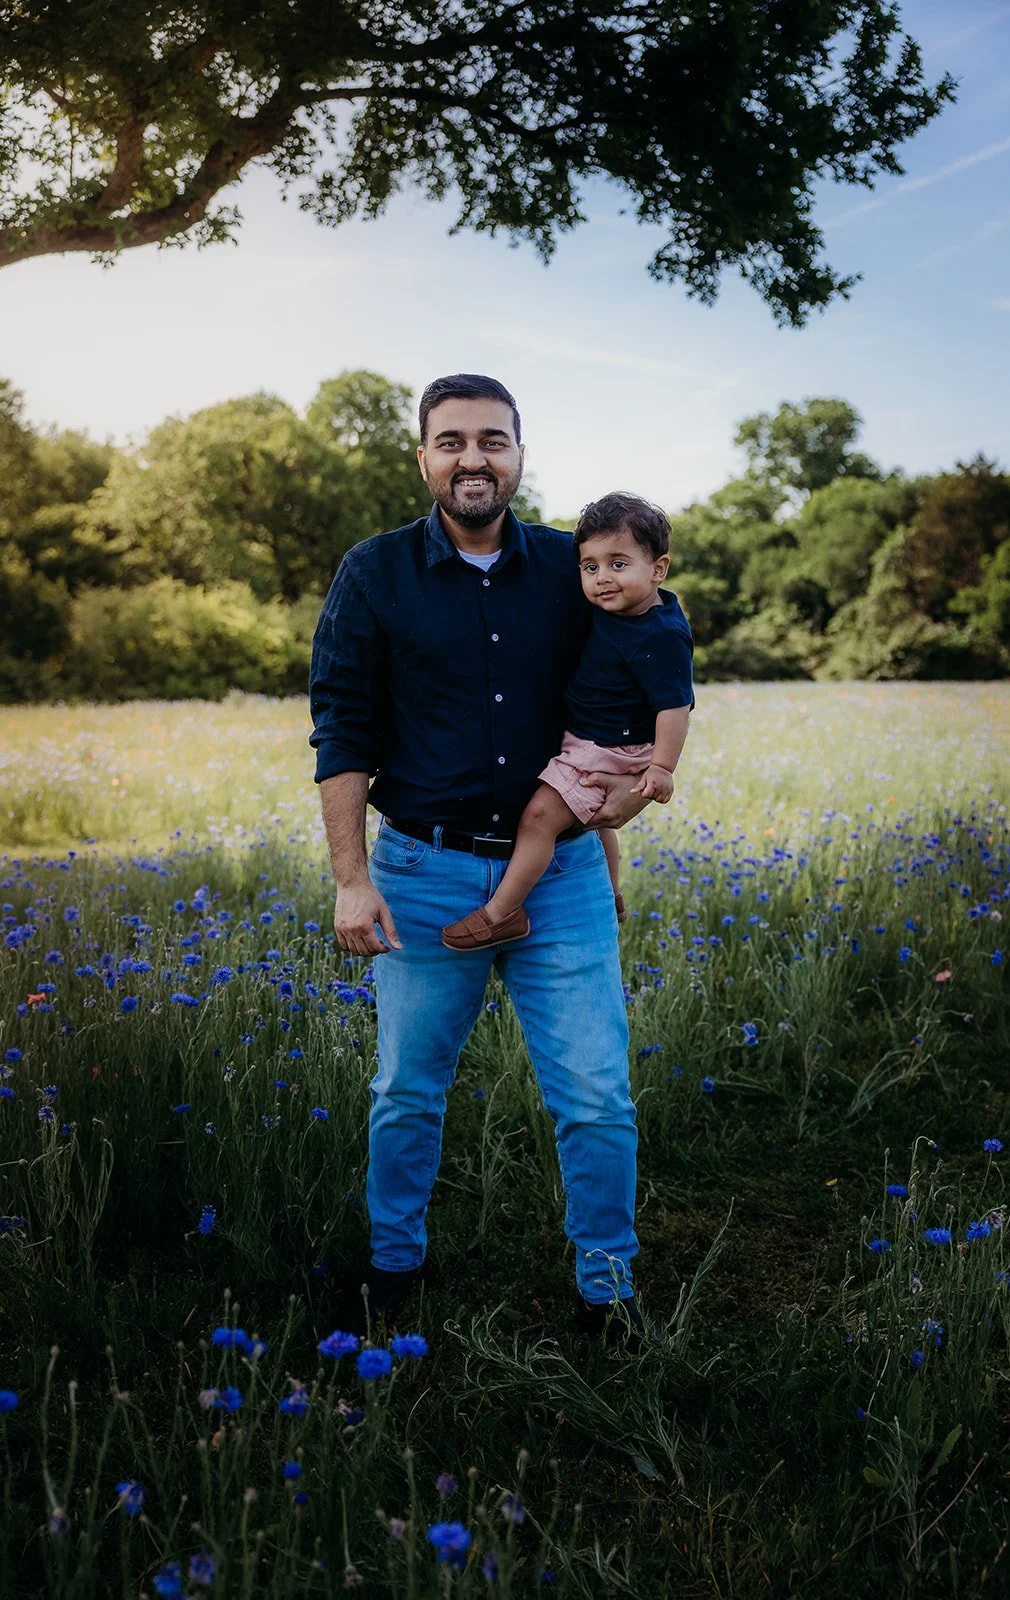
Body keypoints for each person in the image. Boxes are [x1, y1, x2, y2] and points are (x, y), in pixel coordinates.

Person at [309, 374, 655, 1344]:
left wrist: (610, 855)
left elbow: (599, 719)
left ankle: (607, 1287)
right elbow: (340, 731)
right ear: (420, 456)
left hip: (565, 881)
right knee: (405, 1091)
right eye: (451, 440)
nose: (473, 458)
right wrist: (350, 876)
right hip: (422, 875)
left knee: (594, 1095)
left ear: (518, 454)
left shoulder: (568, 569)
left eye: (492, 441)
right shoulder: (374, 574)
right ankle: (392, 1267)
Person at [441, 492, 693, 951]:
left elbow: (675, 705)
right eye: (590, 567)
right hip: (593, 738)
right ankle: (610, 894)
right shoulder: (621, 612)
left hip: (607, 749)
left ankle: (502, 913)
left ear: (658, 568)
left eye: (619, 564)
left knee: (540, 819)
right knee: (593, 826)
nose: (602, 579)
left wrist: (661, 768)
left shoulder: (660, 634)